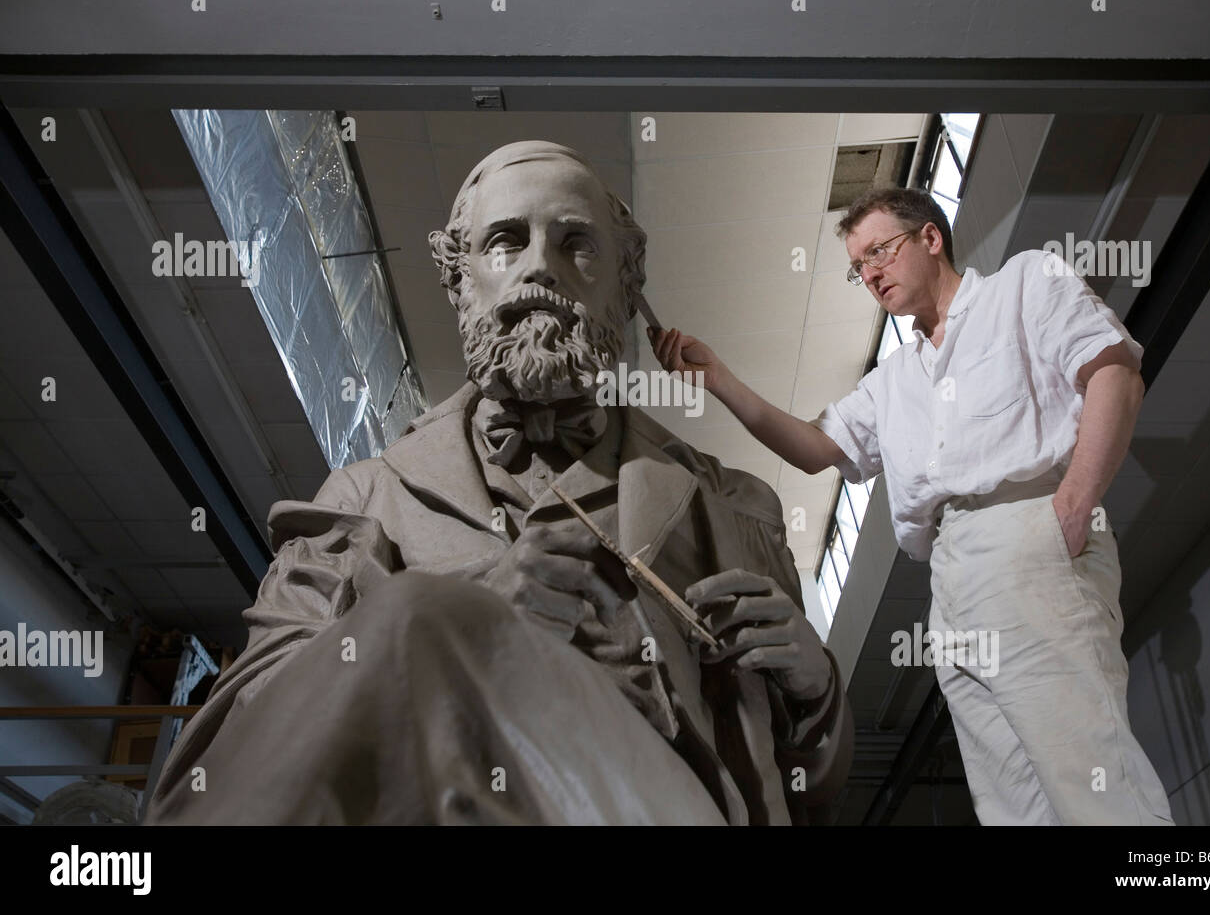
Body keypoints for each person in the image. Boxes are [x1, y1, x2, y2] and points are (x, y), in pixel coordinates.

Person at [145, 141, 852, 826]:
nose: (540, 268)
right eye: (506, 242)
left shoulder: (736, 511)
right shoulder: (363, 499)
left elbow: (810, 790)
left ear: (627, 282)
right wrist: (465, 625)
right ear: (459, 279)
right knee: (417, 618)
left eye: (576, 243)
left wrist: (816, 692)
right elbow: (241, 733)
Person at [649, 187, 1174, 825]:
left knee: (1084, 766)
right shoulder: (893, 379)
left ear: (930, 238)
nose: (870, 274)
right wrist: (719, 380)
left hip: (1028, 533)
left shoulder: (1025, 282)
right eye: (858, 266)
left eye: (880, 252)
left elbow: (1114, 375)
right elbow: (817, 450)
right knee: (1010, 797)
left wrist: (1071, 505)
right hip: (950, 576)